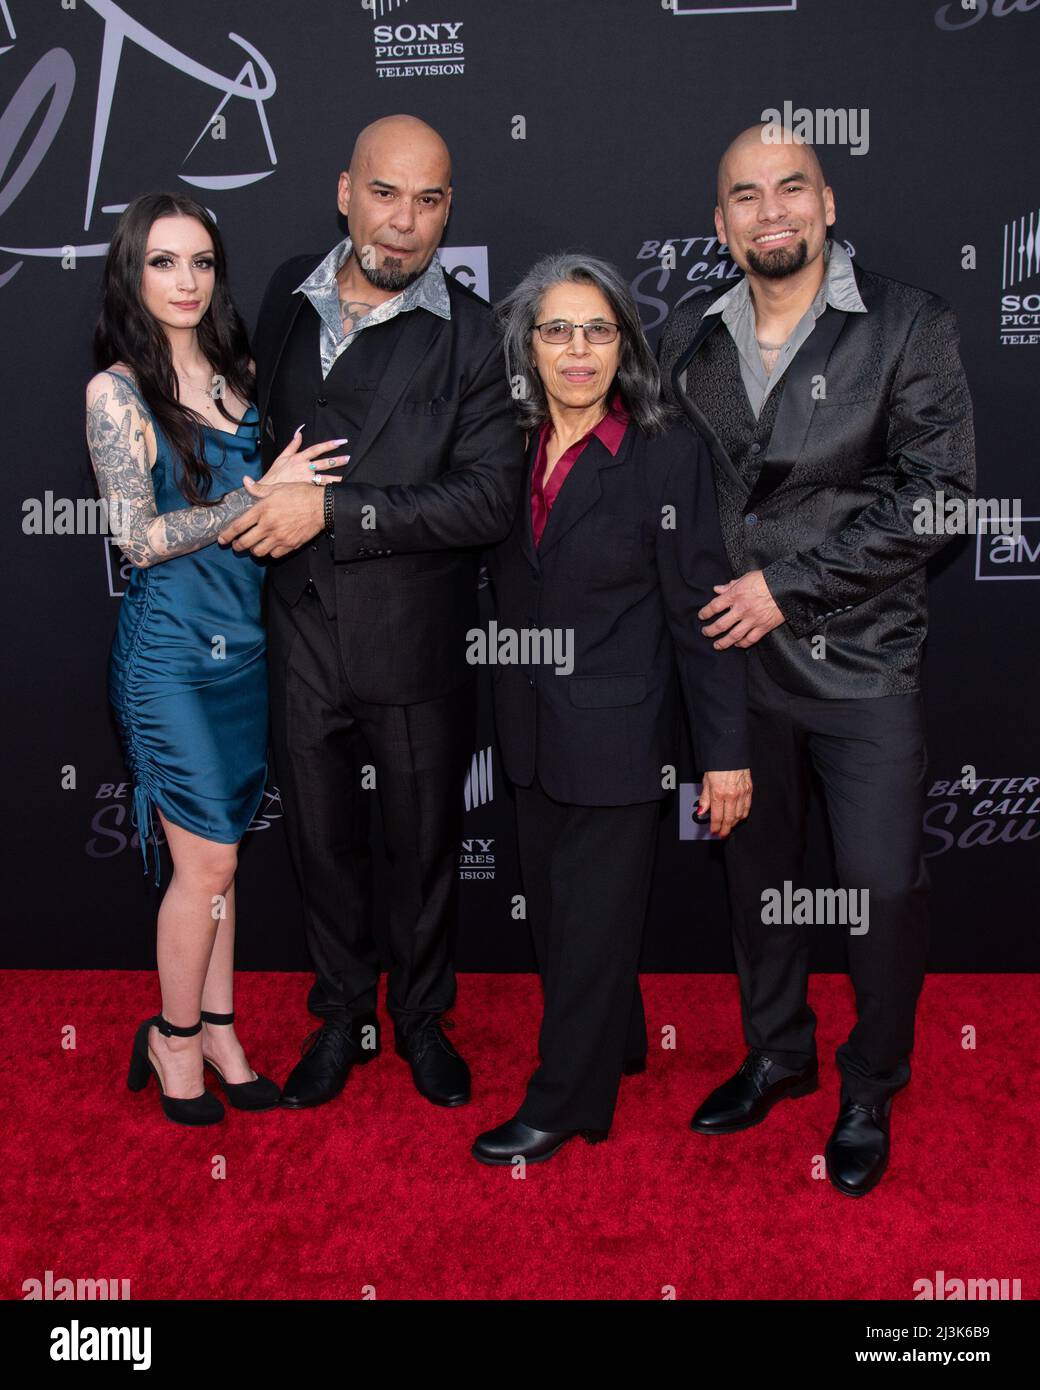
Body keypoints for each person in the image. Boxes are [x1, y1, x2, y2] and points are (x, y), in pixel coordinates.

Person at [658, 126, 975, 1196]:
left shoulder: (905, 324)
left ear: (826, 202)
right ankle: (777, 1053)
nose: (769, 210)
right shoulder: (685, 344)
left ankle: (869, 1083)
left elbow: (937, 497)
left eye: (789, 186)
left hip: (861, 664)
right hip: (733, 673)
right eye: (743, 194)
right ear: (719, 223)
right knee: (758, 886)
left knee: (881, 890)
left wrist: (784, 587)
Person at [219, 116, 525, 1111]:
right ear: (343, 190)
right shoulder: (283, 298)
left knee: (425, 850)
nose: (403, 223)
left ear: (447, 210)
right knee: (320, 846)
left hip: (416, 643)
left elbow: (486, 499)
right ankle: (345, 1013)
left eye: (428, 200)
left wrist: (333, 510)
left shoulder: (478, 334)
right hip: (298, 629)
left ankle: (422, 1020)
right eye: (384, 193)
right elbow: (252, 432)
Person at [471, 253, 751, 1166]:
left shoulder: (664, 450)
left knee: (589, 925)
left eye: (598, 330)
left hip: (621, 732)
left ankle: (565, 1103)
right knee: (559, 918)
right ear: (530, 345)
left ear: (624, 344)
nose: (578, 351)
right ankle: (619, 1040)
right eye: (557, 330)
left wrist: (723, 753)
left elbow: (699, 612)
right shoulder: (505, 442)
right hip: (527, 729)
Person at [87, 193, 346, 1125]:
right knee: (203, 870)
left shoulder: (242, 373)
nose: (186, 280)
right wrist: (253, 498)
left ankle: (223, 1027)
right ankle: (173, 1039)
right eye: (163, 262)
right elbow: (138, 537)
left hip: (246, 660)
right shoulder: (116, 392)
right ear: (132, 272)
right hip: (168, 664)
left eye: (200, 262)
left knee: (223, 863)